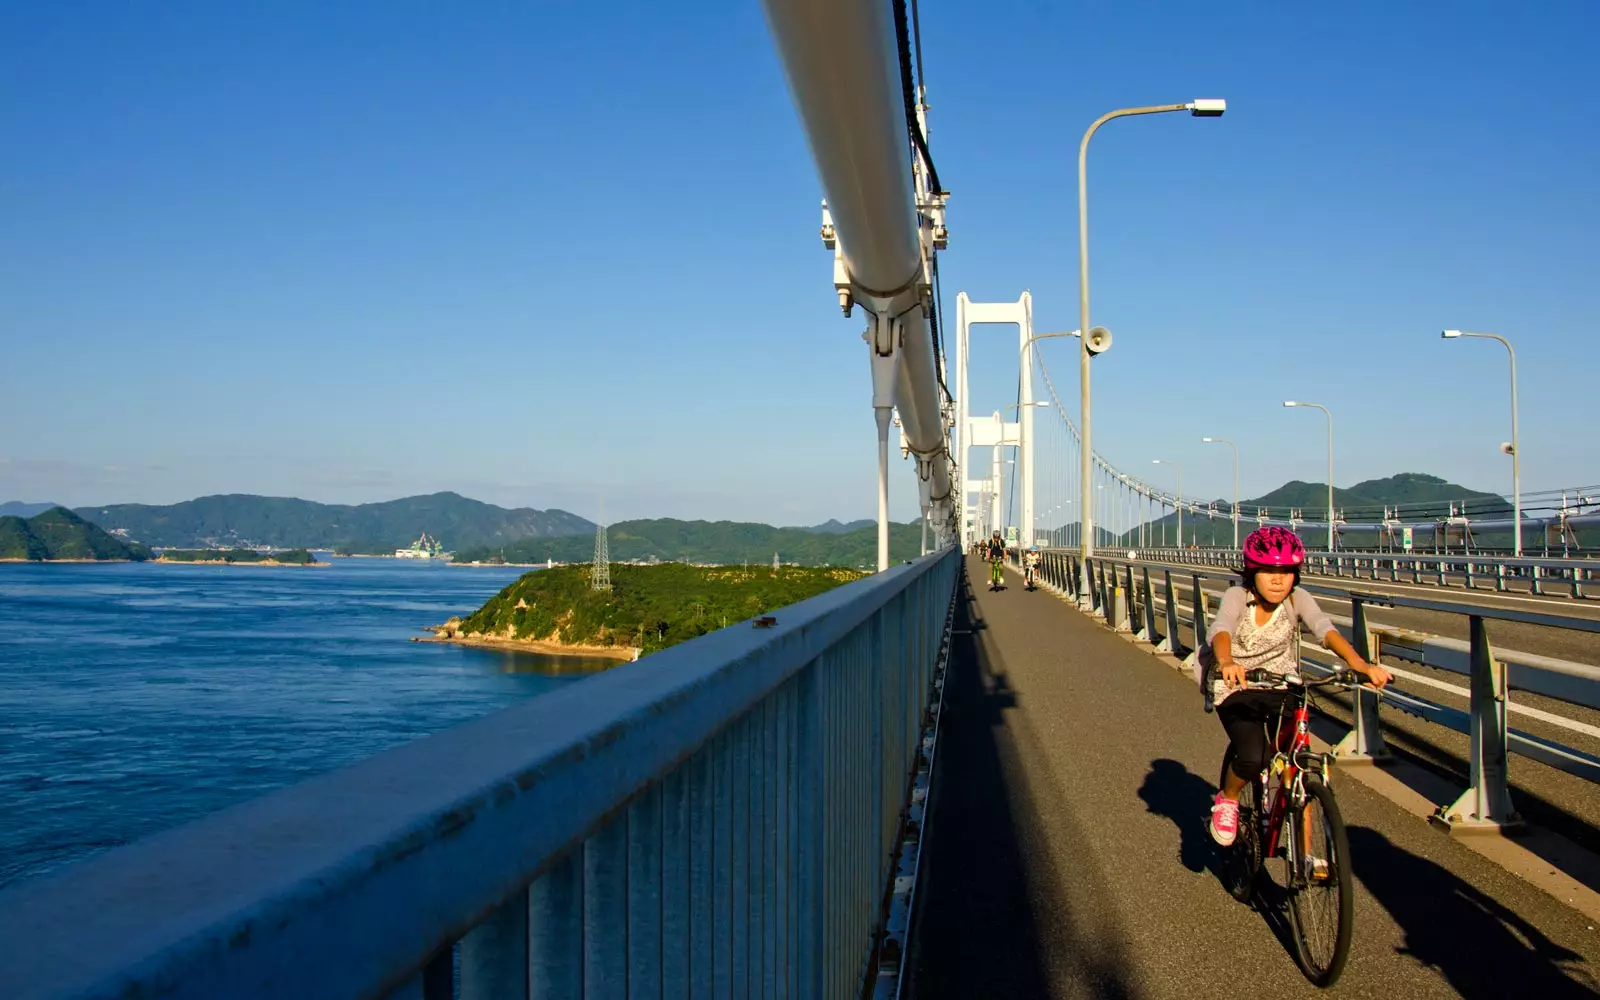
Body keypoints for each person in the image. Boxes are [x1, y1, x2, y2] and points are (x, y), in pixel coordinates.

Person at [1203, 526, 1392, 851]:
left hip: (1281, 684)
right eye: (1268, 571)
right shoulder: (1238, 597)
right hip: (1236, 685)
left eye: (1287, 571)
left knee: (1296, 754)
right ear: (1252, 572)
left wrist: (1360, 666)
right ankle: (1229, 799)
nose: (1278, 579)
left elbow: (1325, 630)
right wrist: (1227, 661)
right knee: (1253, 756)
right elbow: (1221, 629)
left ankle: (1305, 854)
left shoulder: (1296, 599)